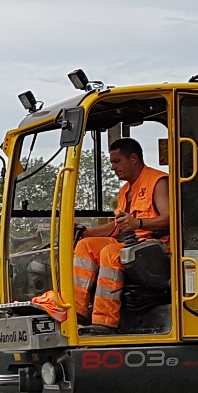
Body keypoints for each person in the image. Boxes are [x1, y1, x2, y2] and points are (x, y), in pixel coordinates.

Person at [72, 135, 170, 330]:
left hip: (154, 247)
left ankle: (104, 321)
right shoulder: (125, 190)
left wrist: (138, 223)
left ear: (133, 158)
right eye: (111, 163)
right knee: (85, 246)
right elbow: (118, 226)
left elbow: (171, 219)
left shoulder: (158, 181)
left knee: (111, 253)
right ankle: (77, 312)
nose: (113, 167)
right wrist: (85, 233)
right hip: (129, 244)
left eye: (117, 161)